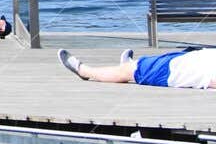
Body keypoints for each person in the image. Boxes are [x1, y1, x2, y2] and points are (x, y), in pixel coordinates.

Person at [59, 46, 216, 89]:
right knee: (147, 62)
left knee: (129, 72)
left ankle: (83, 71)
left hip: (175, 71)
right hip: (192, 59)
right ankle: (129, 65)